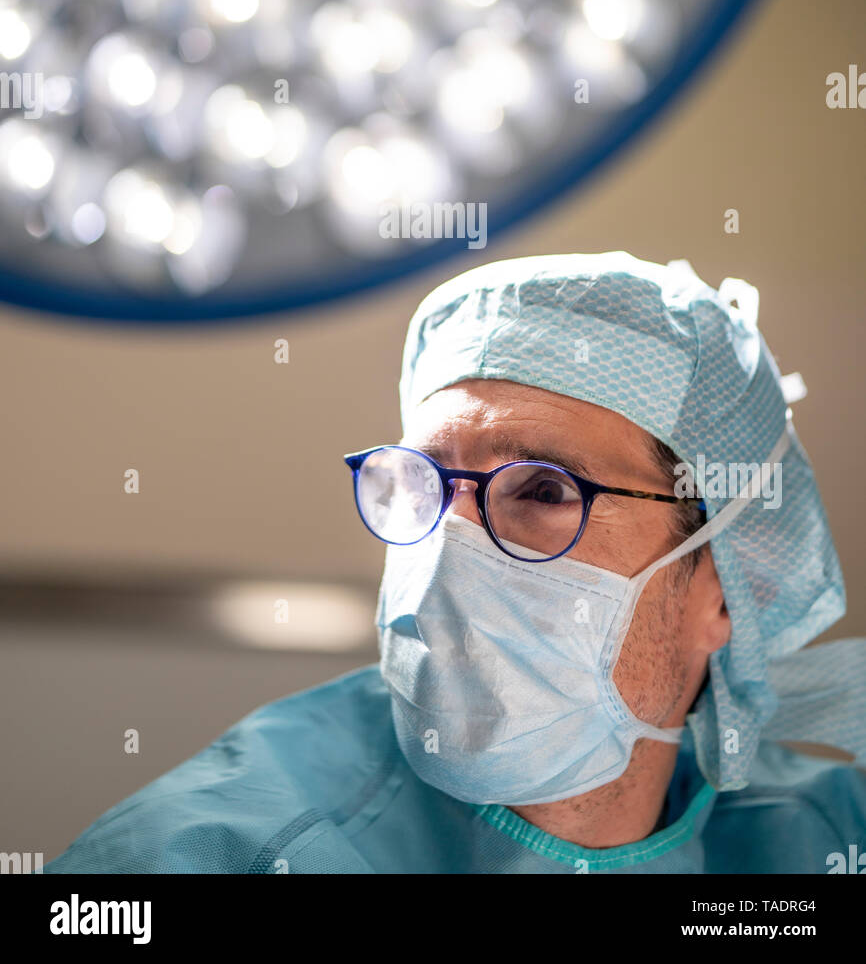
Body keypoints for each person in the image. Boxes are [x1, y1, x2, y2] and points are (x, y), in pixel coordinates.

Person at [45, 252, 866, 874]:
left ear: (729, 587)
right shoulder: (206, 859)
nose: (446, 553)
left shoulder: (820, 848)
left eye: (543, 489)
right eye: (422, 485)